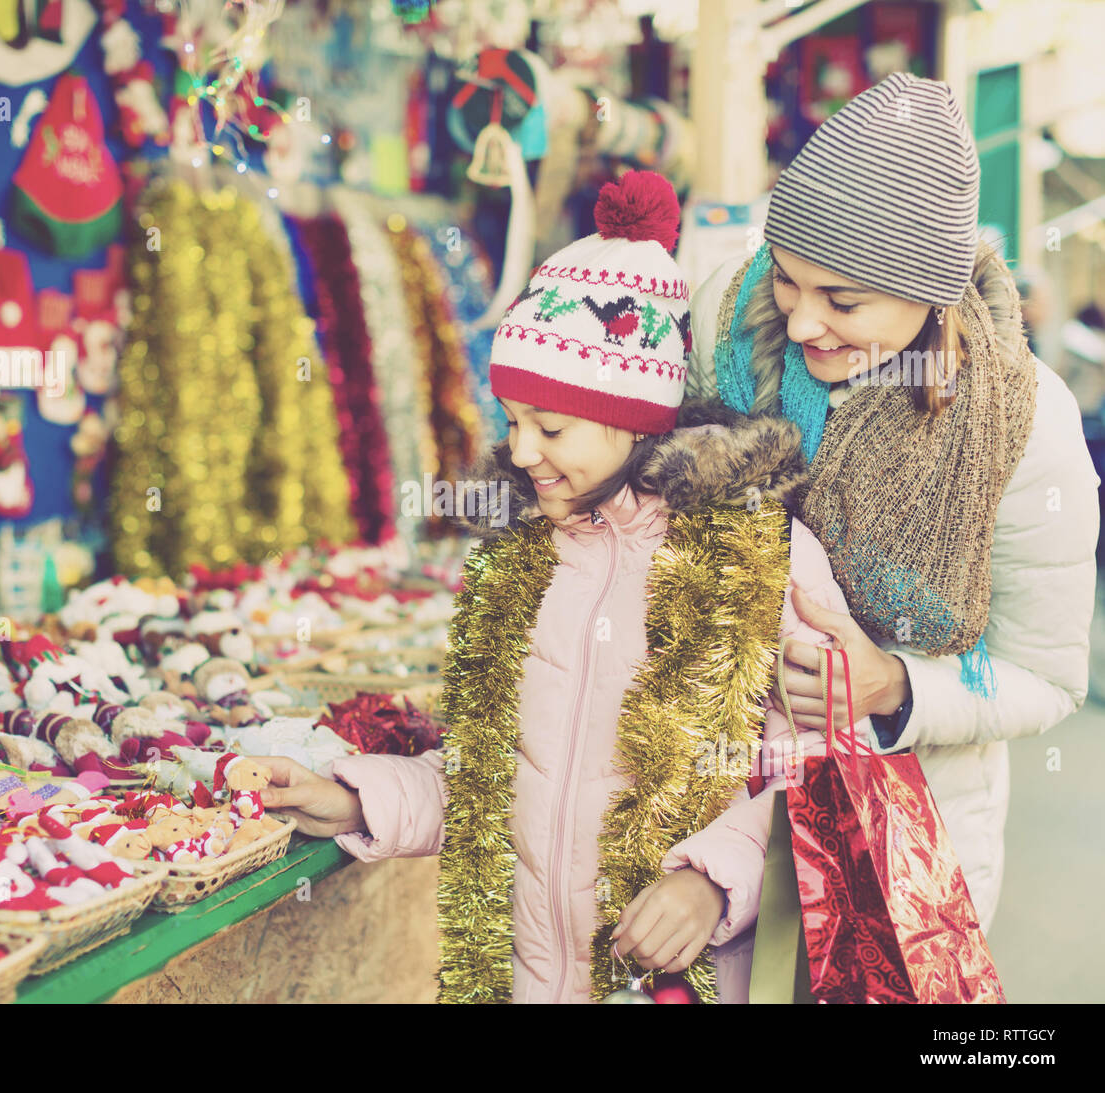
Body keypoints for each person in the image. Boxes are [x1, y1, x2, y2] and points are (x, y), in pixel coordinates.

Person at [252, 171, 870, 1004]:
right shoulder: (519, 564)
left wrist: (712, 881)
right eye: (511, 422)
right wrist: (356, 798)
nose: (524, 452)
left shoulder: (757, 562)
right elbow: (487, 784)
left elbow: (829, 779)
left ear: (637, 416)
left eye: (551, 427)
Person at [684, 72, 1100, 932]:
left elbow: (1047, 674)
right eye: (790, 281)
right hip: (701, 808)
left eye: (844, 301)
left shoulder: (1025, 425)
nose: (801, 324)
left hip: (902, 843)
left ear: (932, 292)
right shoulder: (726, 316)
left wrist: (892, 685)